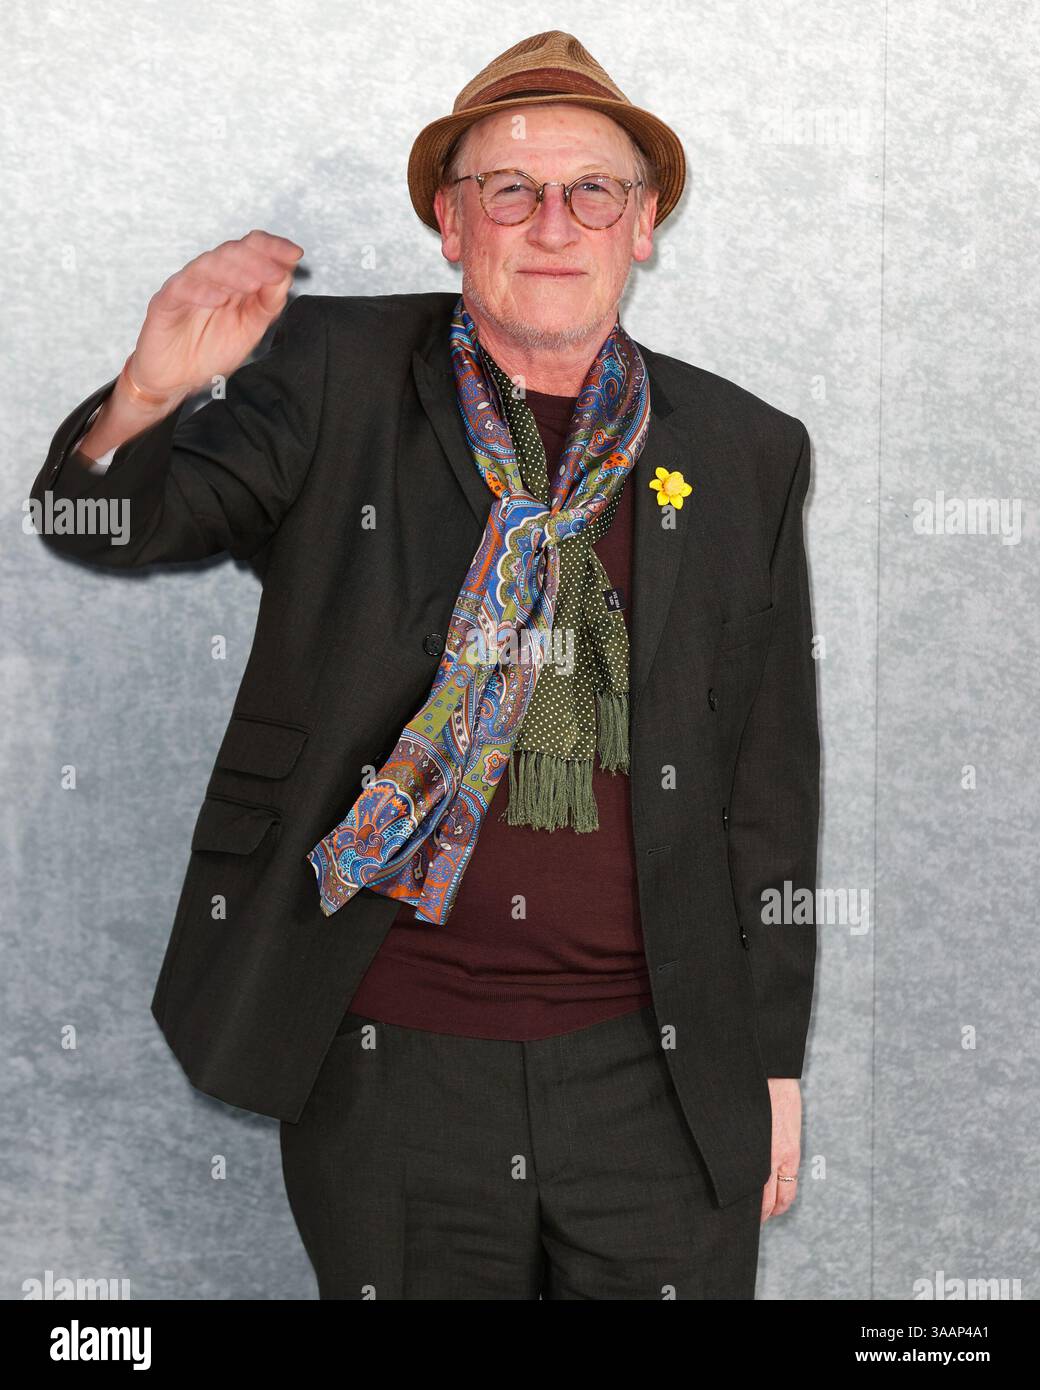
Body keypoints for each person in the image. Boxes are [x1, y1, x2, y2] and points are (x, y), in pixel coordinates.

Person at [29, 31, 820, 1299]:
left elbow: (766, 780)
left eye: (591, 191)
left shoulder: (742, 448)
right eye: (509, 189)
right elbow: (102, 526)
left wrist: (768, 1057)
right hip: (388, 1060)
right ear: (452, 227)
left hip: (660, 1075)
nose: (551, 222)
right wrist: (140, 398)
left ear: (644, 222)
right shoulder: (330, 373)